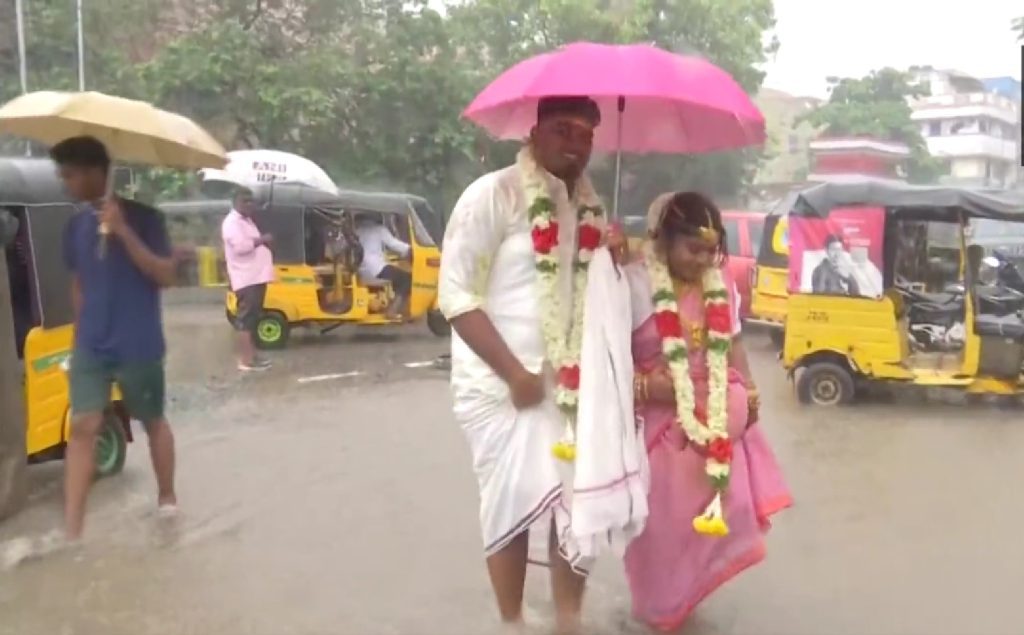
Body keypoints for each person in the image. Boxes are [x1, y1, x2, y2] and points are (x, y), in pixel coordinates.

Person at [438, 95, 610, 634]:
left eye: (585, 135)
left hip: (571, 383)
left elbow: (600, 292)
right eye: (563, 130)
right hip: (498, 386)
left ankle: (567, 620)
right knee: (509, 506)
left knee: (578, 505)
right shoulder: (494, 195)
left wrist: (618, 251)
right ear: (533, 132)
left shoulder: (590, 209)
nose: (575, 145)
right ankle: (510, 621)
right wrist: (513, 374)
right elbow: (456, 295)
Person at [623, 192, 791, 631]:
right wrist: (643, 386)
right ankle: (659, 612)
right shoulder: (633, 282)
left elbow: (732, 341)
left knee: (715, 517)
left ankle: (687, 605)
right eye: (692, 249)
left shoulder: (720, 284)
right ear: (662, 241)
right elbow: (602, 362)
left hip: (711, 411)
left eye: (710, 251)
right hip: (653, 416)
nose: (702, 260)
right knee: (659, 528)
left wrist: (750, 391)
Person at [55, 136, 179, 541]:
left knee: (151, 420)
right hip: (91, 344)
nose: (65, 182)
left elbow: (165, 276)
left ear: (95, 173)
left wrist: (123, 231)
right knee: (83, 425)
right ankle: (73, 532)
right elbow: (79, 285)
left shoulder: (147, 219)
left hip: (137, 342)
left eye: (70, 174)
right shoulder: (75, 227)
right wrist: (77, 337)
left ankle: (167, 499)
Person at [221, 188, 274, 371]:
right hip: (246, 278)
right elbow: (241, 248)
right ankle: (246, 360)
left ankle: (252, 355)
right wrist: (262, 240)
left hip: (256, 276)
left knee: (253, 318)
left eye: (251, 201)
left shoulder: (246, 220)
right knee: (245, 319)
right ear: (235, 202)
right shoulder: (232, 223)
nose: (249, 204)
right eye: (245, 201)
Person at [354, 213, 412, 319]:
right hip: (376, 269)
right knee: (406, 279)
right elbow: (394, 244)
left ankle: (390, 304)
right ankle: (392, 311)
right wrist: (410, 249)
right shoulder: (379, 229)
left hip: (360, 271)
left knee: (395, 274)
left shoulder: (356, 231)